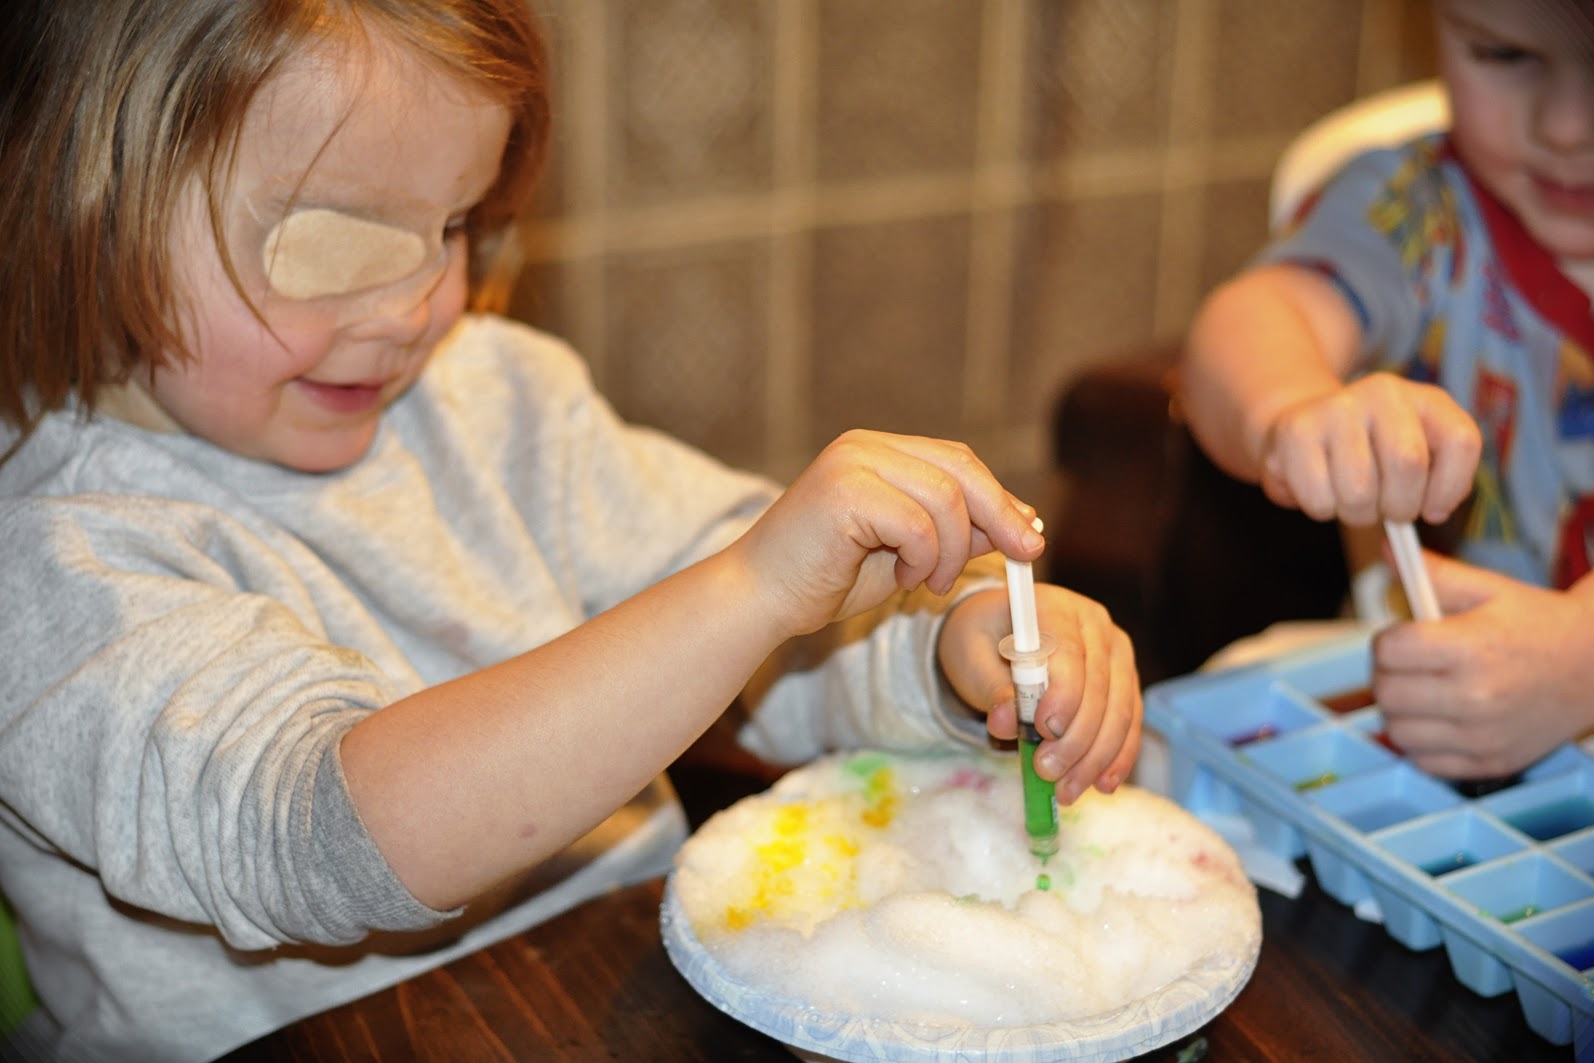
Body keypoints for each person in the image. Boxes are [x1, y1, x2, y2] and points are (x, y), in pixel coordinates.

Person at [0, 2, 1142, 1059]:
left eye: (453, 224)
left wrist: (945, 646)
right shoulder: (55, 556)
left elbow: (759, 648)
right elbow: (324, 840)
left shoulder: (495, 397)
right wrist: (748, 588)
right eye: (332, 241)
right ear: (86, 203)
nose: (415, 308)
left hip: (619, 996)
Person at [1180, 0, 1594, 782]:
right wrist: (1288, 409)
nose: (1568, 127)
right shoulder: (1419, 209)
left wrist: (1585, 653)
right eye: (1505, 56)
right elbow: (1256, 317)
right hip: (1425, 715)